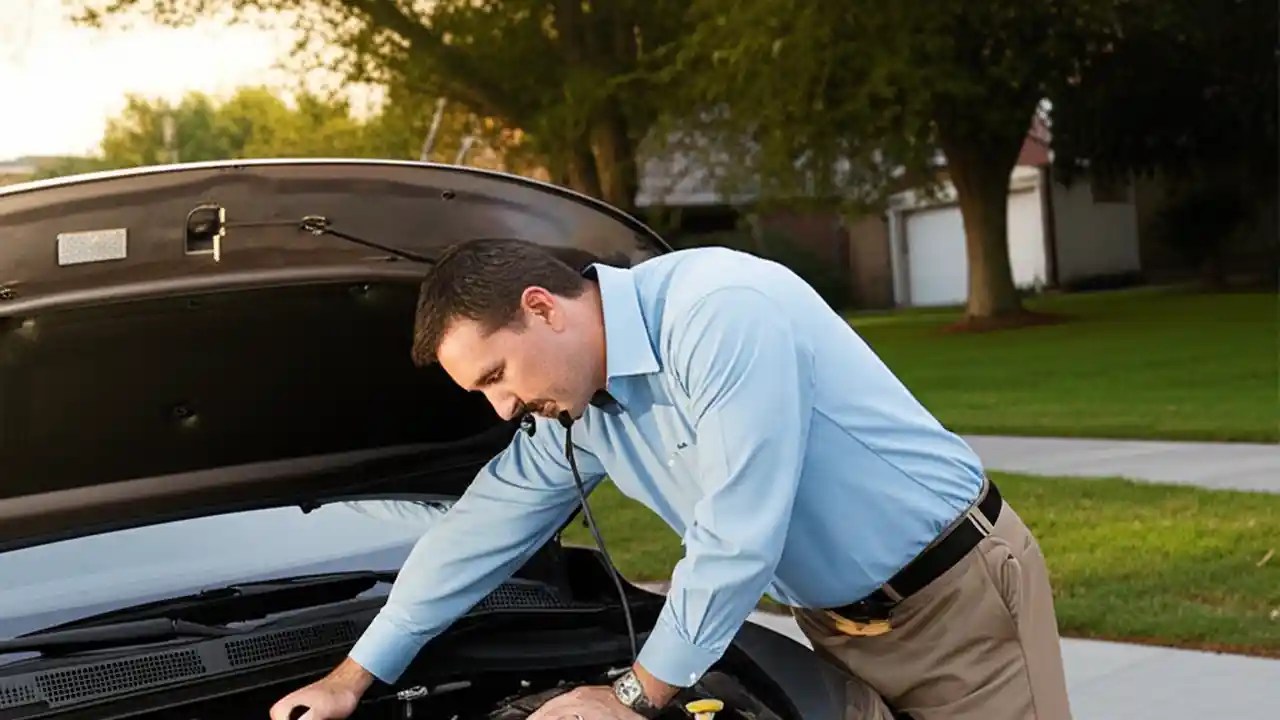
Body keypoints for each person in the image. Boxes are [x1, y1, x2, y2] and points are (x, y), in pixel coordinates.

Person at [268, 239, 1072, 720]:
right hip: (835, 625)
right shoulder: (576, 415)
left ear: (543, 307)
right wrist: (351, 678)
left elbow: (737, 533)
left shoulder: (719, 311)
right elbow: (475, 533)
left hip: (956, 605)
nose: (504, 406)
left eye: (497, 374)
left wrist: (631, 695)